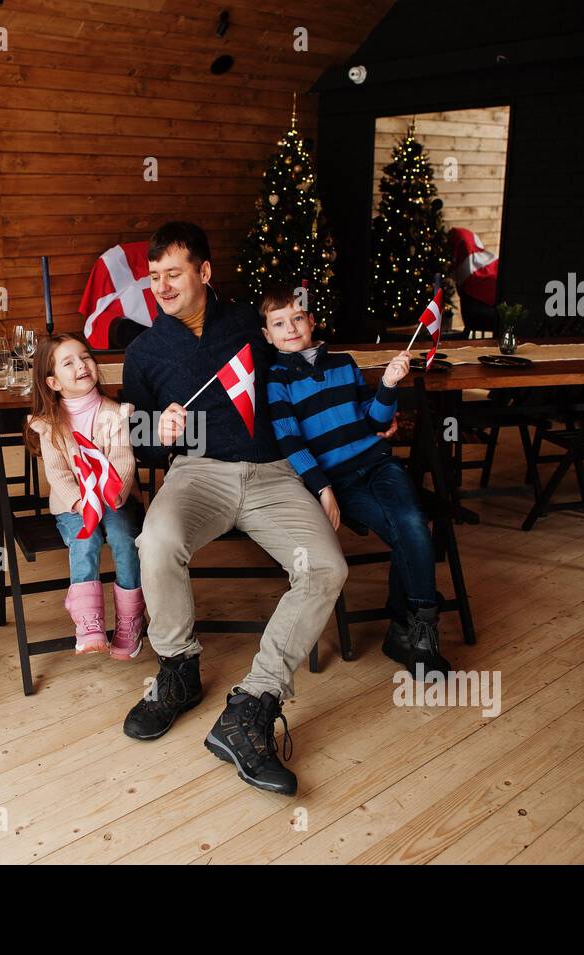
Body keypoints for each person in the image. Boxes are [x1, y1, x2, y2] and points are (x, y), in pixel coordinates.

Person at [119, 221, 348, 797]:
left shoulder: (251, 321)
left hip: (273, 473)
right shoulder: (145, 351)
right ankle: (178, 668)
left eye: (174, 273)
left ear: (205, 271)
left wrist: (370, 412)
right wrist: (158, 430)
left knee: (327, 567)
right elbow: (141, 442)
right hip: (196, 473)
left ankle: (254, 702)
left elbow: (308, 361)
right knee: (157, 539)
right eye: (154, 278)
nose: (163, 287)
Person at [260, 285, 450, 678]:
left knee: (412, 524)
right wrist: (323, 489)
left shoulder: (344, 363)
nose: (291, 327)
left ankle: (415, 626)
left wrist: (389, 386)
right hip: (338, 481)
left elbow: (376, 421)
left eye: (297, 317)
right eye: (279, 323)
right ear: (268, 335)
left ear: (311, 321)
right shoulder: (276, 380)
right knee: (410, 531)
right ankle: (410, 631)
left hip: (378, 464)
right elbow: (290, 440)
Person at [25, 333, 144, 659]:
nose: (82, 365)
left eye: (86, 357)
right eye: (69, 363)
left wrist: (113, 496)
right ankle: (88, 621)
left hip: (112, 498)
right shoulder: (50, 425)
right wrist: (80, 502)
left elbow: (122, 459)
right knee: (85, 538)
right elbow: (58, 472)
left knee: (123, 537)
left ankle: (130, 619)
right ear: (53, 382)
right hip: (73, 504)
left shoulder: (114, 414)